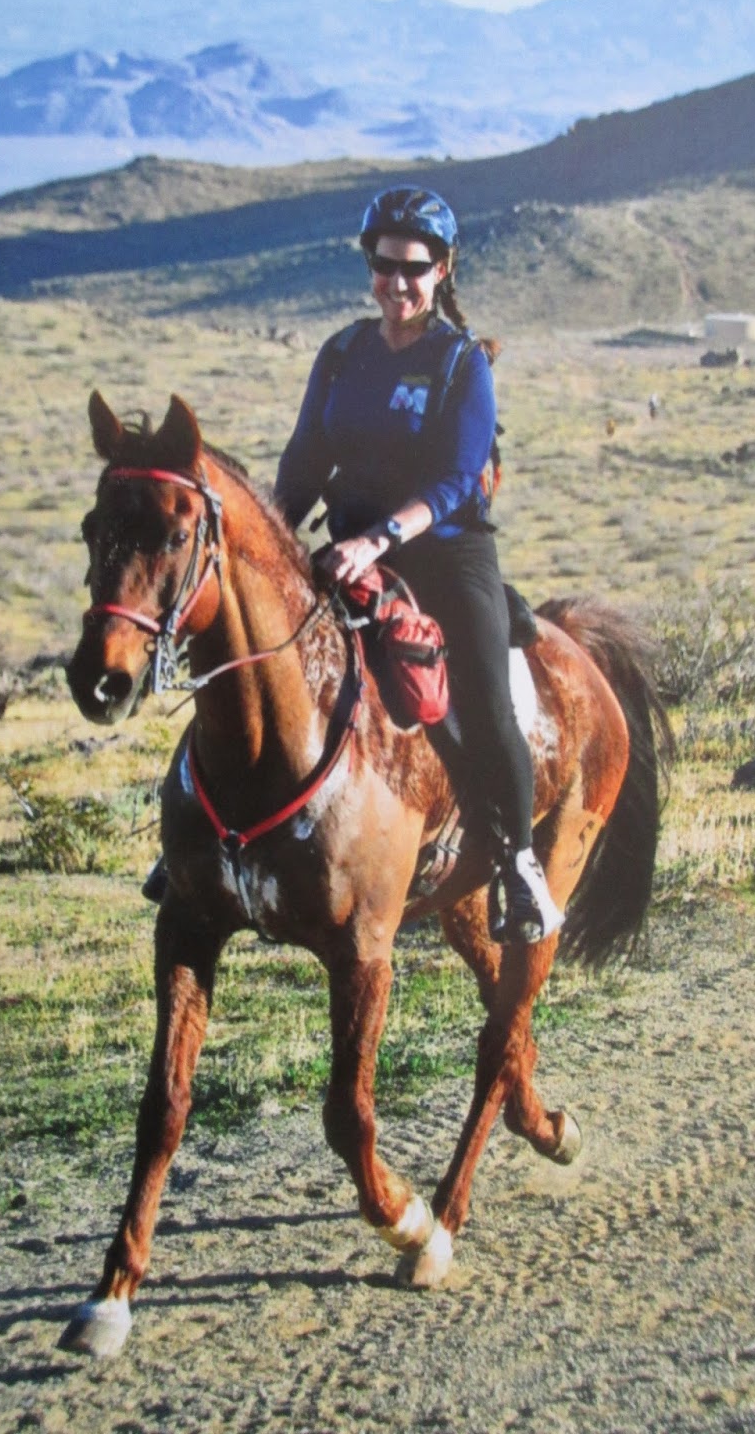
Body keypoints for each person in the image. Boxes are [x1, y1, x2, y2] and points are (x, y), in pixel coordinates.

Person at [274, 185, 563, 944]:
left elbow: (455, 479)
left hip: (445, 550)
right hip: (348, 543)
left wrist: (379, 541)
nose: (396, 283)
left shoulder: (460, 364)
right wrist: (273, 537)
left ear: (442, 270)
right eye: (383, 266)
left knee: (482, 680)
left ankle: (518, 862)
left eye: (414, 268)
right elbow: (307, 457)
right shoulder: (341, 356)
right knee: (253, 637)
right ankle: (207, 834)